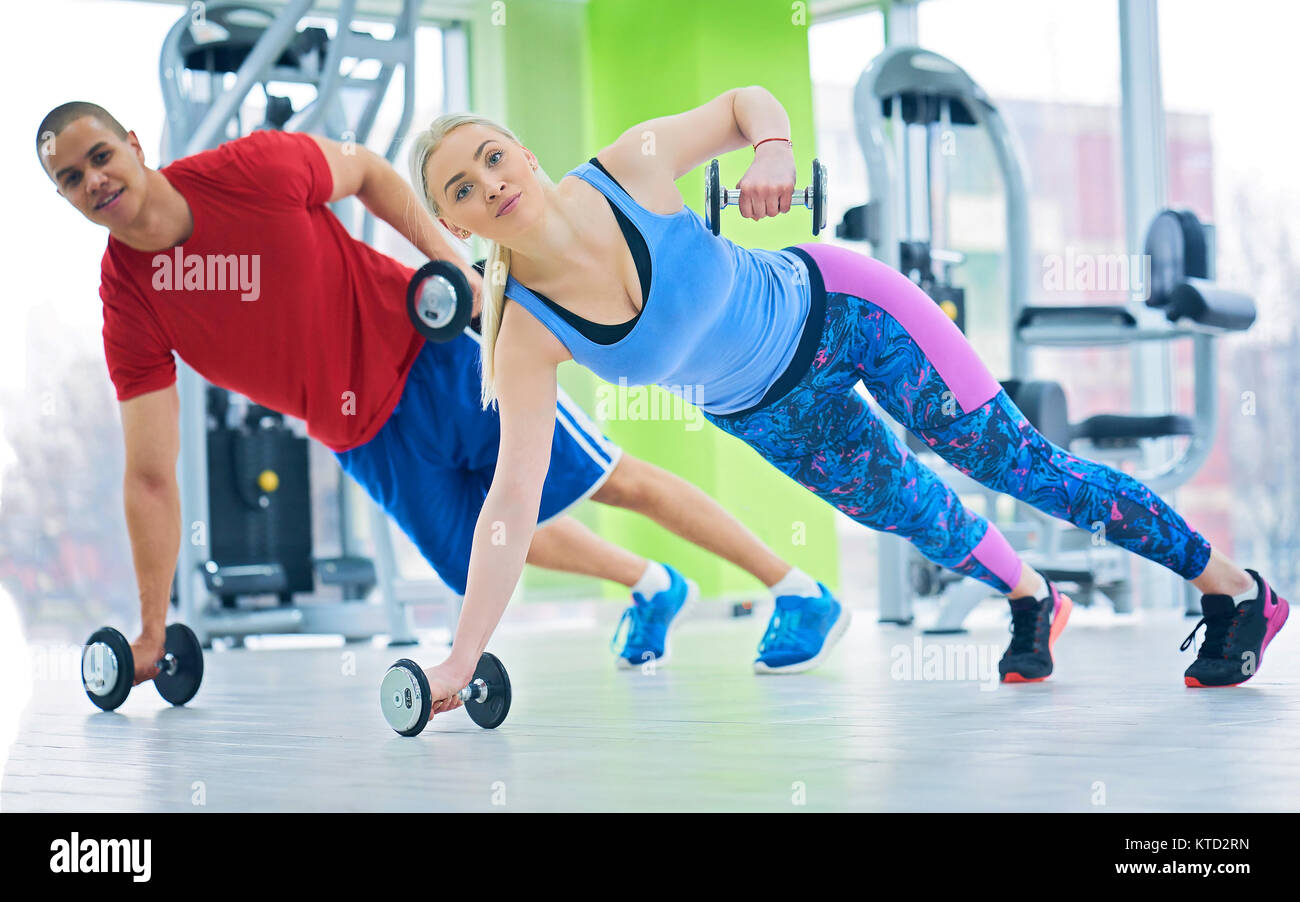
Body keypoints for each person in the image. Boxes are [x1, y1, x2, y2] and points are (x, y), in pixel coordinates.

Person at [409, 84, 1290, 717]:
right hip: (766, 409)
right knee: (912, 512)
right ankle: (1032, 597)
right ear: (457, 226)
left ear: (520, 152)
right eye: (461, 189)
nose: (488, 182)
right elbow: (511, 501)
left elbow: (745, 103)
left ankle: (1237, 591)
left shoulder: (627, 168)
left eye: (491, 156)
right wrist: (463, 652)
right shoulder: (524, 334)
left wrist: (774, 149)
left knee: (1014, 464)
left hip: (843, 309)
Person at [36, 100, 846, 687]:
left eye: (100, 155)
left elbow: (367, 173)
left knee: (610, 477)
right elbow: (149, 473)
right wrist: (150, 626)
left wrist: (453, 270)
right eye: (70, 178)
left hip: (431, 352)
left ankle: (793, 587)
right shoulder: (128, 303)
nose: (94, 180)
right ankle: (651, 582)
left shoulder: (249, 169)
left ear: (133, 145)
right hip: (356, 432)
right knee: (485, 545)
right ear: (65, 197)